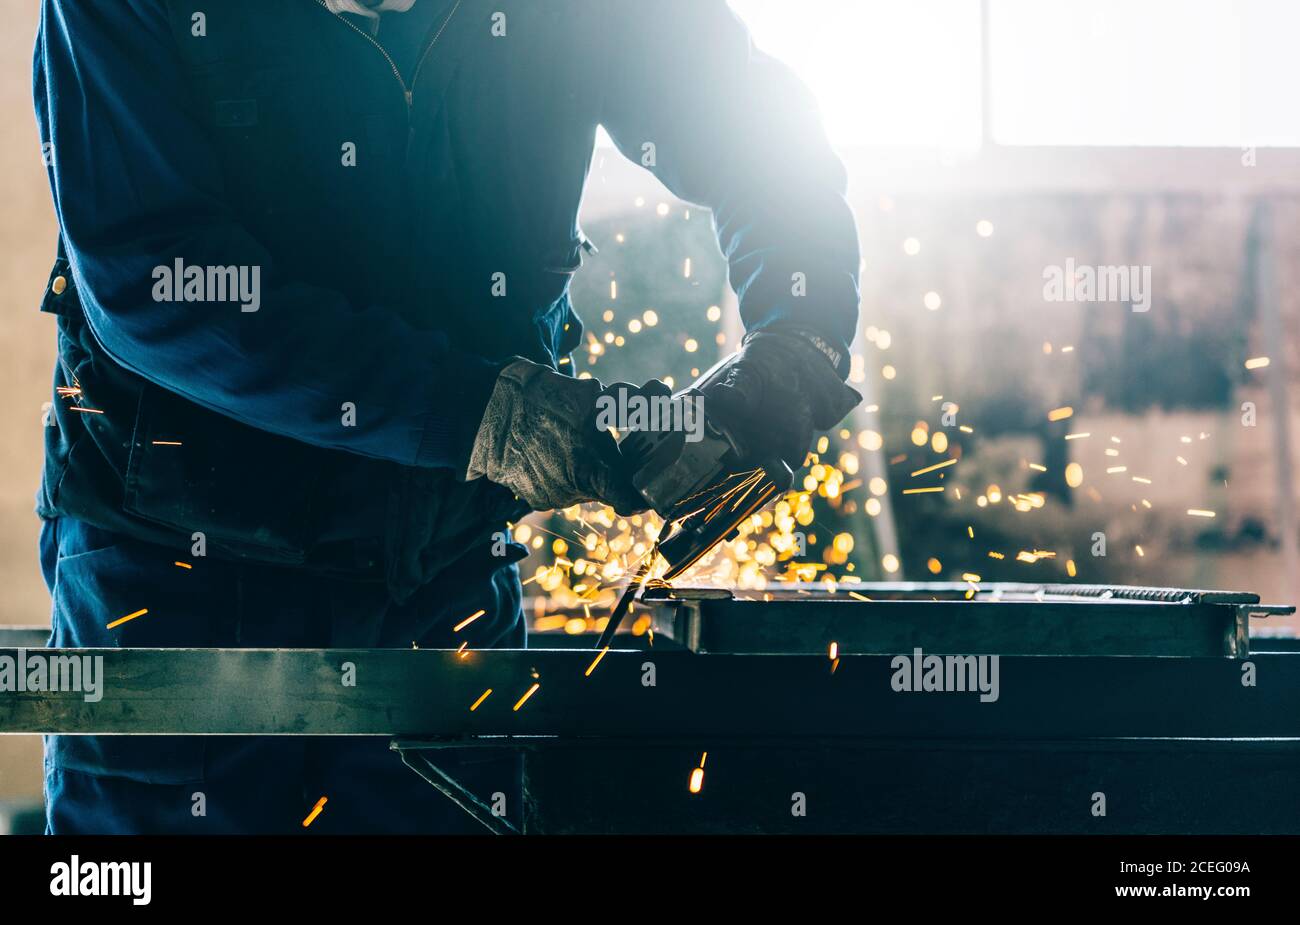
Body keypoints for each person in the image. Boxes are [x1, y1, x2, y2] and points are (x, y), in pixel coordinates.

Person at [32, 0, 861, 833]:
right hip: (182, 584)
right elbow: (155, 278)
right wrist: (483, 416)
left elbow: (756, 132)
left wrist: (802, 338)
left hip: (444, 576)